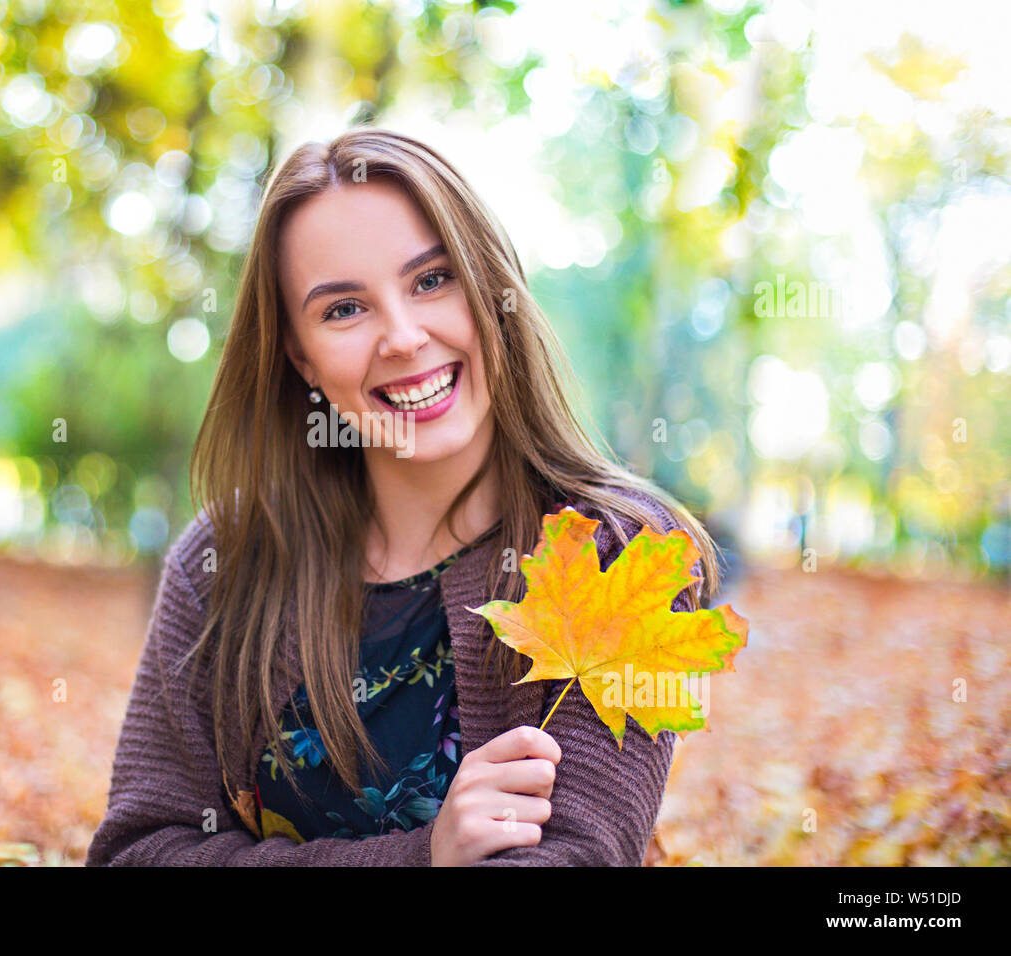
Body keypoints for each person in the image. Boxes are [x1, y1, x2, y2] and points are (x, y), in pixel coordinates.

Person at [86, 127, 723, 866]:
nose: (403, 336)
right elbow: (138, 851)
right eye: (344, 310)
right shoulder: (225, 561)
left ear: (493, 288)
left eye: (431, 280)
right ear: (302, 359)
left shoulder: (620, 556)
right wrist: (422, 855)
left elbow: (573, 856)